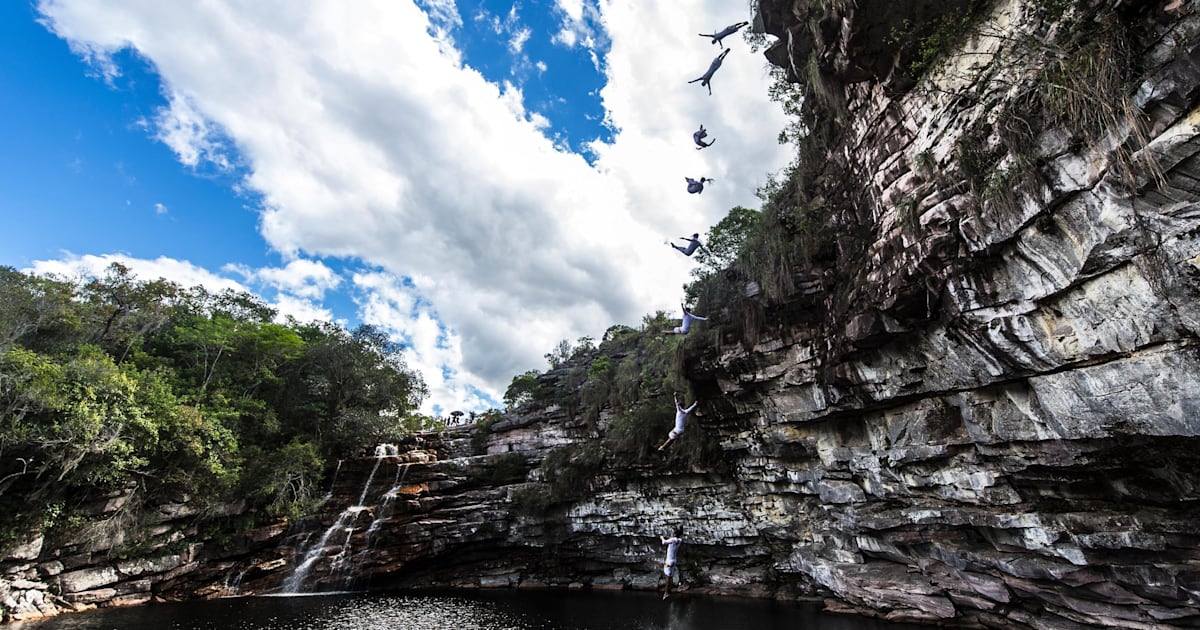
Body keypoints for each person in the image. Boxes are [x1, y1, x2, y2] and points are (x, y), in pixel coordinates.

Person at [660, 527, 684, 598]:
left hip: (669, 561)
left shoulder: (673, 539)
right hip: (674, 561)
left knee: (667, 576)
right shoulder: (680, 540)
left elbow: (664, 542)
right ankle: (670, 590)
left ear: (675, 534)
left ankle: (666, 592)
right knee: (670, 576)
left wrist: (662, 538)